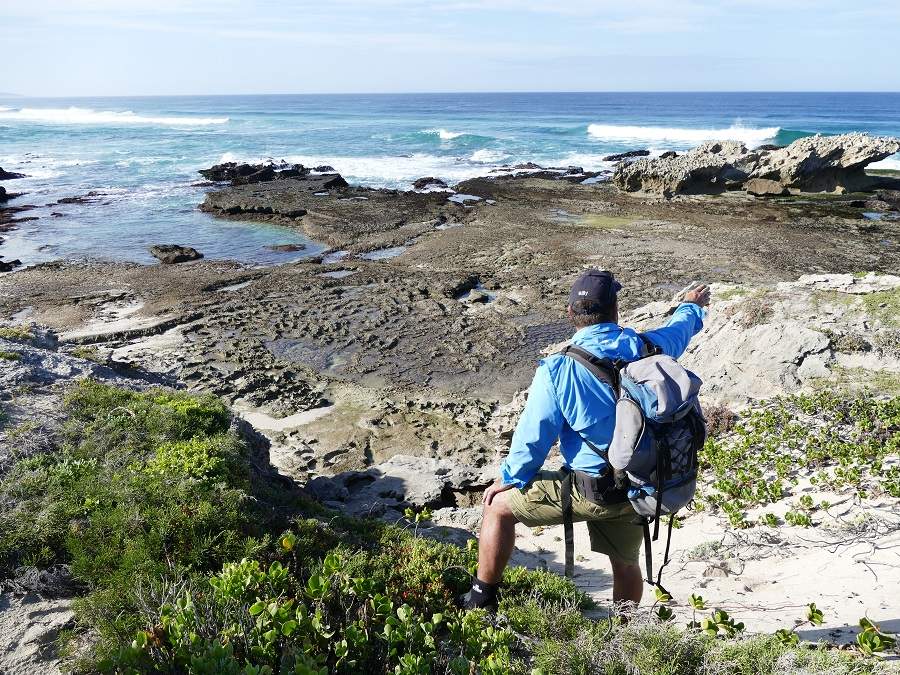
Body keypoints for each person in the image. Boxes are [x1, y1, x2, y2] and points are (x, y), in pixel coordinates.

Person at [465, 269, 710, 610]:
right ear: (615, 311)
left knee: (497, 509)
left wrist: (510, 479)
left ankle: (481, 601)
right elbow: (680, 331)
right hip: (640, 485)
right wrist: (692, 307)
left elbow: (533, 439)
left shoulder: (558, 369)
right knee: (626, 564)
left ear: (570, 315)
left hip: (589, 490)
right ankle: (624, 627)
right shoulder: (647, 346)